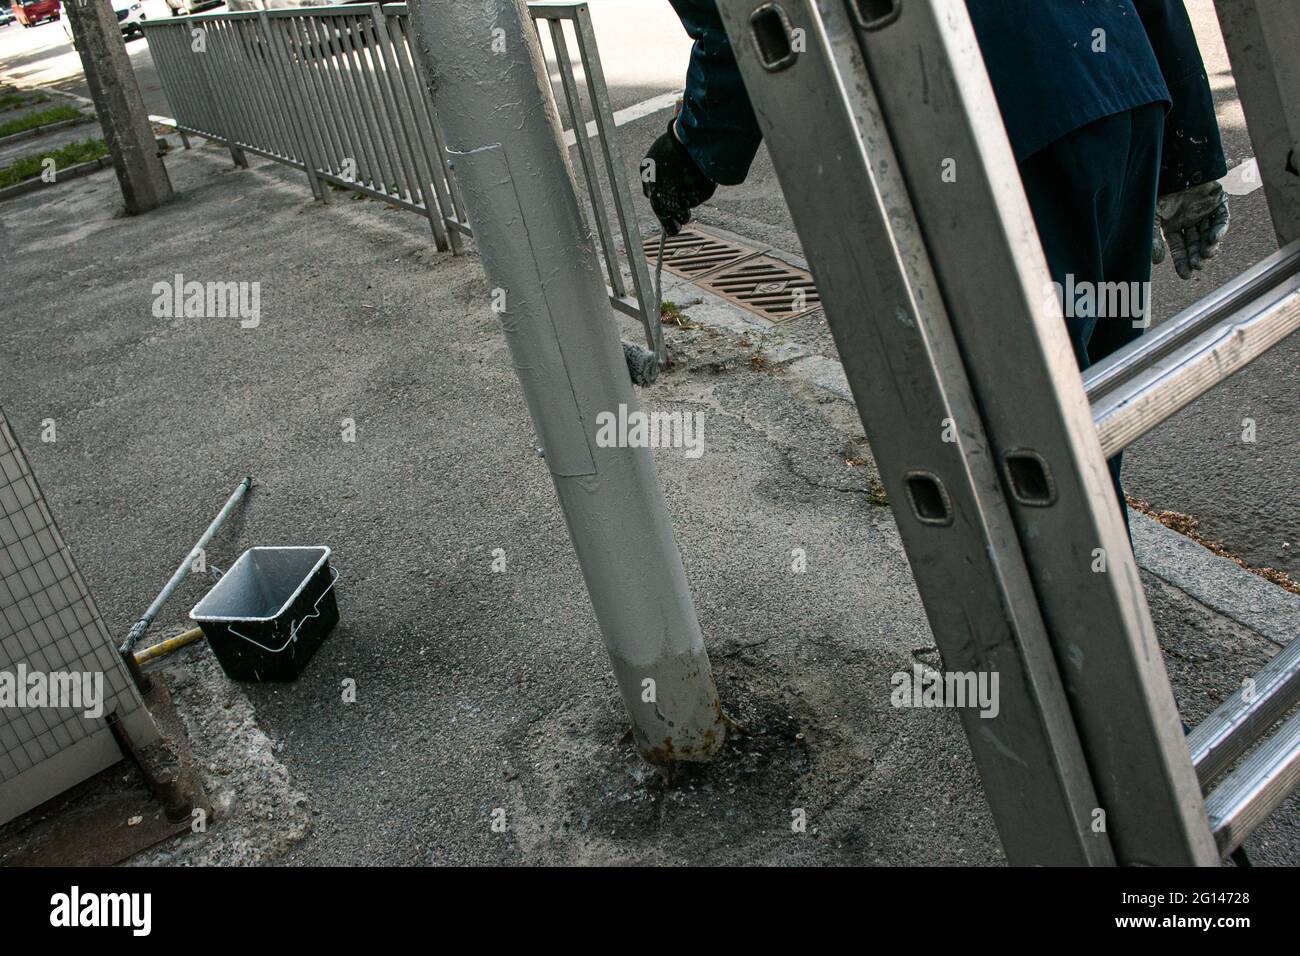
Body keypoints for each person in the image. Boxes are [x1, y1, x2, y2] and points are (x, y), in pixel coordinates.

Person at [643, 0, 1231, 527]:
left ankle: (1071, 625)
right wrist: (1191, 162)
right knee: (1092, 408)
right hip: (1116, 70)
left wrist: (691, 149)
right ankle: (1109, 613)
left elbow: (746, 21)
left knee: (1028, 432)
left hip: (993, 109)